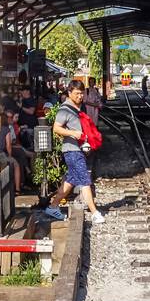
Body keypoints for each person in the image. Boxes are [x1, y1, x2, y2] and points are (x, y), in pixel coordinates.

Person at [42, 80, 105, 224]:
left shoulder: (77, 108)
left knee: (70, 180)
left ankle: (53, 206)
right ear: (69, 93)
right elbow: (56, 128)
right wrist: (73, 133)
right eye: (77, 94)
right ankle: (95, 213)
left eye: (82, 94)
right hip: (72, 150)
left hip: (77, 149)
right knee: (85, 180)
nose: (80, 96)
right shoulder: (65, 109)